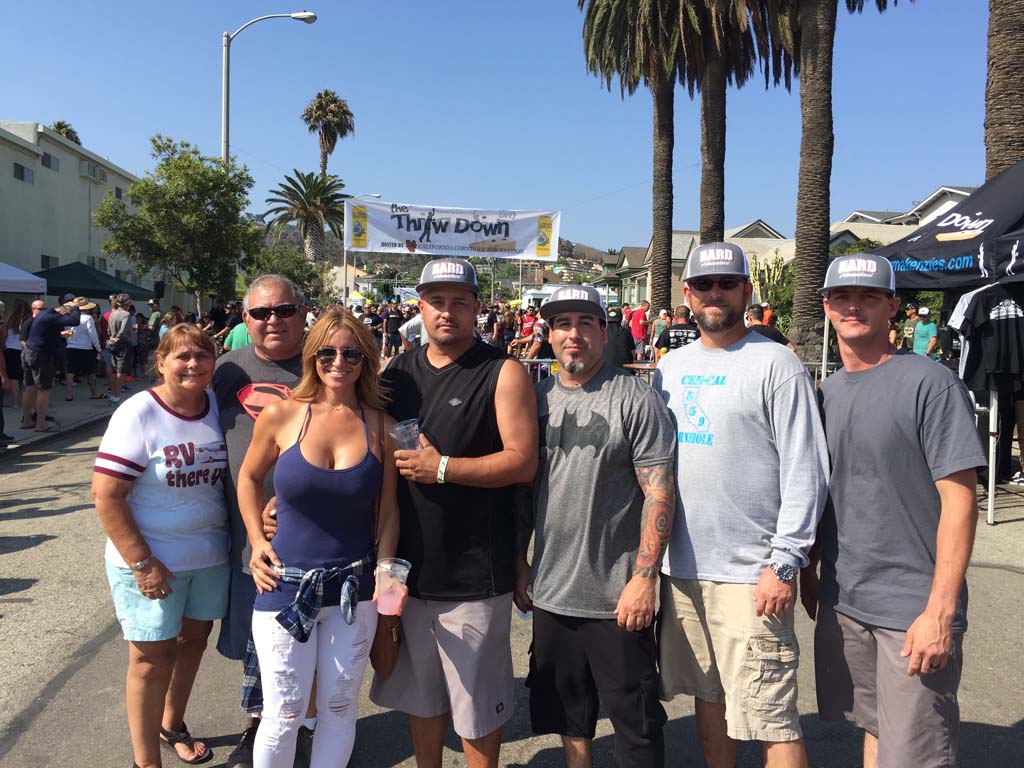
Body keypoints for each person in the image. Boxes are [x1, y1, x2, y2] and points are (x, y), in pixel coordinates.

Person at [653, 242, 829, 768]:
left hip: (752, 575)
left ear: (747, 292)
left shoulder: (777, 364)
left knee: (772, 717)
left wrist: (784, 562)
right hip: (682, 571)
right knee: (711, 700)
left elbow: (807, 469)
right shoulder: (670, 368)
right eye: (703, 285)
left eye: (727, 283)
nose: (715, 293)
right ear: (686, 295)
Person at [806, 254, 985, 768]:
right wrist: (812, 569)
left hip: (912, 606)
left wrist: (941, 611)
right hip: (847, 599)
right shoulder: (827, 392)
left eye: (868, 297)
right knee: (876, 730)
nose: (853, 306)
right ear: (827, 306)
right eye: (842, 296)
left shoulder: (931, 383)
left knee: (918, 753)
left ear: (893, 307)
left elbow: (959, 499)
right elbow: (830, 492)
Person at [370, 257, 538, 768]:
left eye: (459, 302)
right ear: (419, 307)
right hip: (408, 571)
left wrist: (441, 468)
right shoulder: (397, 372)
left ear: (477, 308)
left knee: (477, 712)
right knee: (420, 701)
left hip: (473, 571)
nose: (447, 312)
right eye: (437, 302)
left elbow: (522, 462)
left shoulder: (502, 371)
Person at [237, 309, 404, 767]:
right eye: (328, 351)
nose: (339, 361)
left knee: (338, 709)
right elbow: (248, 478)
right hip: (284, 586)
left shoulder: (381, 426)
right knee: (284, 712)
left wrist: (387, 572)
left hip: (354, 589)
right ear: (312, 356)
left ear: (366, 359)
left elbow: (387, 512)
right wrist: (256, 540)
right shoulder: (281, 415)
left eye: (351, 352)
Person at [519, 285, 677, 767]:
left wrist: (645, 578)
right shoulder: (534, 401)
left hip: (616, 597)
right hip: (550, 591)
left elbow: (659, 491)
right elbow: (523, 495)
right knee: (568, 713)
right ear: (548, 335)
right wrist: (518, 565)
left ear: (604, 332)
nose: (574, 335)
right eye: (563, 325)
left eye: (585, 324)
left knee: (636, 720)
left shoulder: (634, 398)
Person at [92, 323, 229, 768]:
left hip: (210, 555)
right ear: (161, 362)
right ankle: (146, 760)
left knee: (193, 643)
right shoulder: (139, 413)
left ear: (214, 362)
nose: (193, 365)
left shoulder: (217, 406)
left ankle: (173, 724)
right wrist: (141, 561)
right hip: (152, 560)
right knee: (151, 659)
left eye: (202, 356)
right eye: (182, 357)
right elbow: (106, 494)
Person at [212, 275, 308, 768]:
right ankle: (262, 724)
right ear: (244, 319)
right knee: (258, 639)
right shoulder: (224, 370)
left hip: (316, 532)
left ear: (303, 312)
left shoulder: (327, 363)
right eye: (260, 313)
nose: (273, 320)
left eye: (284, 310)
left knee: (312, 637)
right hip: (245, 532)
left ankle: (306, 728)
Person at [20, 297, 80, 431]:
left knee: (29, 388)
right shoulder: (53, 316)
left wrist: (60, 334)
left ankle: (27, 421)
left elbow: (45, 333)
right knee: (43, 390)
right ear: (64, 313)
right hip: (40, 355)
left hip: (29, 352)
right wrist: (76, 308)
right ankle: (41, 424)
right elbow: (75, 321)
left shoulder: (44, 314)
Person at [65, 297, 103, 401]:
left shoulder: (68, 317)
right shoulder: (87, 318)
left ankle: (69, 395)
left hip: (71, 346)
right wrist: (98, 348)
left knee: (70, 372)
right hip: (86, 348)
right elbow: (93, 335)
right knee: (90, 372)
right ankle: (94, 393)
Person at [3, 298, 29, 410]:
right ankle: (27, 401)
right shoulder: (28, 320)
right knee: (24, 376)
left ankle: (15, 402)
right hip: (23, 349)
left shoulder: (8, 320)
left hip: (10, 350)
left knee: (13, 377)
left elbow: (3, 336)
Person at [107, 293, 134, 405]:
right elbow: (122, 331)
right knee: (120, 373)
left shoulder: (112, 314)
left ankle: (113, 395)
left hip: (112, 344)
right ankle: (117, 397)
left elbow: (108, 331)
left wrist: (112, 339)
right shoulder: (126, 314)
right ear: (127, 304)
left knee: (114, 372)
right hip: (122, 344)